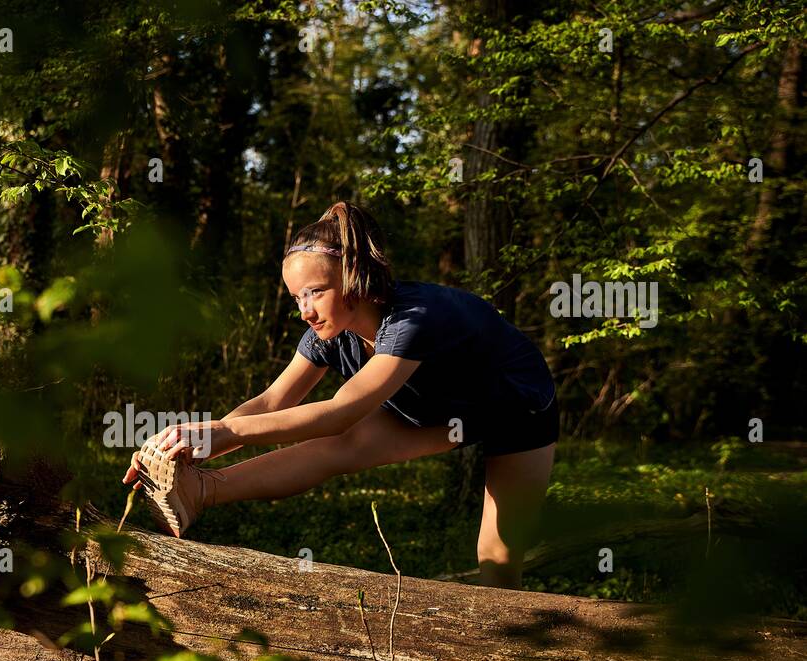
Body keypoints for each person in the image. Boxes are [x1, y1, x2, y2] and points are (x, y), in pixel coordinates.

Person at [123, 200, 558, 590]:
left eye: (315, 292)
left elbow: (341, 411)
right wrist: (192, 447)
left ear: (352, 276)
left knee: (497, 559)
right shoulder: (328, 334)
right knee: (336, 448)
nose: (305, 310)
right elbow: (271, 403)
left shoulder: (414, 319)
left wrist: (222, 431)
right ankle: (198, 491)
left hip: (514, 407)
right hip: (432, 407)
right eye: (296, 298)